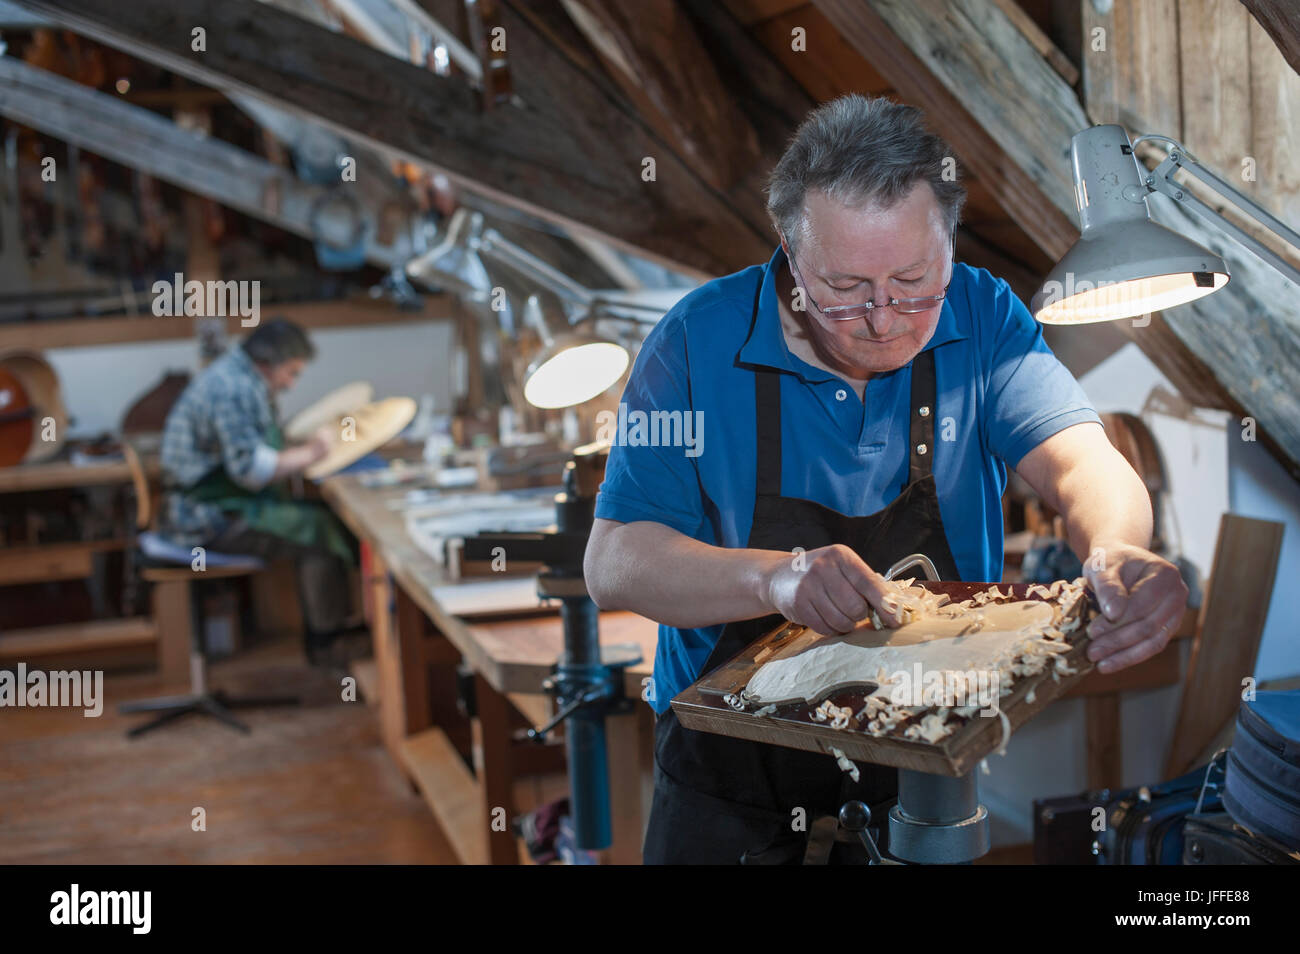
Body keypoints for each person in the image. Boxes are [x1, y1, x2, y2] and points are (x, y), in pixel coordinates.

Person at [583, 95, 1188, 864]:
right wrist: (775, 582)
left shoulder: (982, 314)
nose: (884, 318)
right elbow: (614, 562)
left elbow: (1079, 461)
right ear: (791, 253)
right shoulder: (695, 344)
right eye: (844, 288)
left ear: (950, 240)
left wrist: (1120, 548)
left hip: (925, 764)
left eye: (913, 278)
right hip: (728, 784)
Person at [159, 317, 357, 660]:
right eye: (292, 373)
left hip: (213, 505)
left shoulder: (237, 376)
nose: (291, 384)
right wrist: (313, 452)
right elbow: (250, 470)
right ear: (269, 363)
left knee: (321, 518)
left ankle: (333, 630)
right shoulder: (234, 388)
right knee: (319, 530)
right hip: (203, 519)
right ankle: (327, 641)